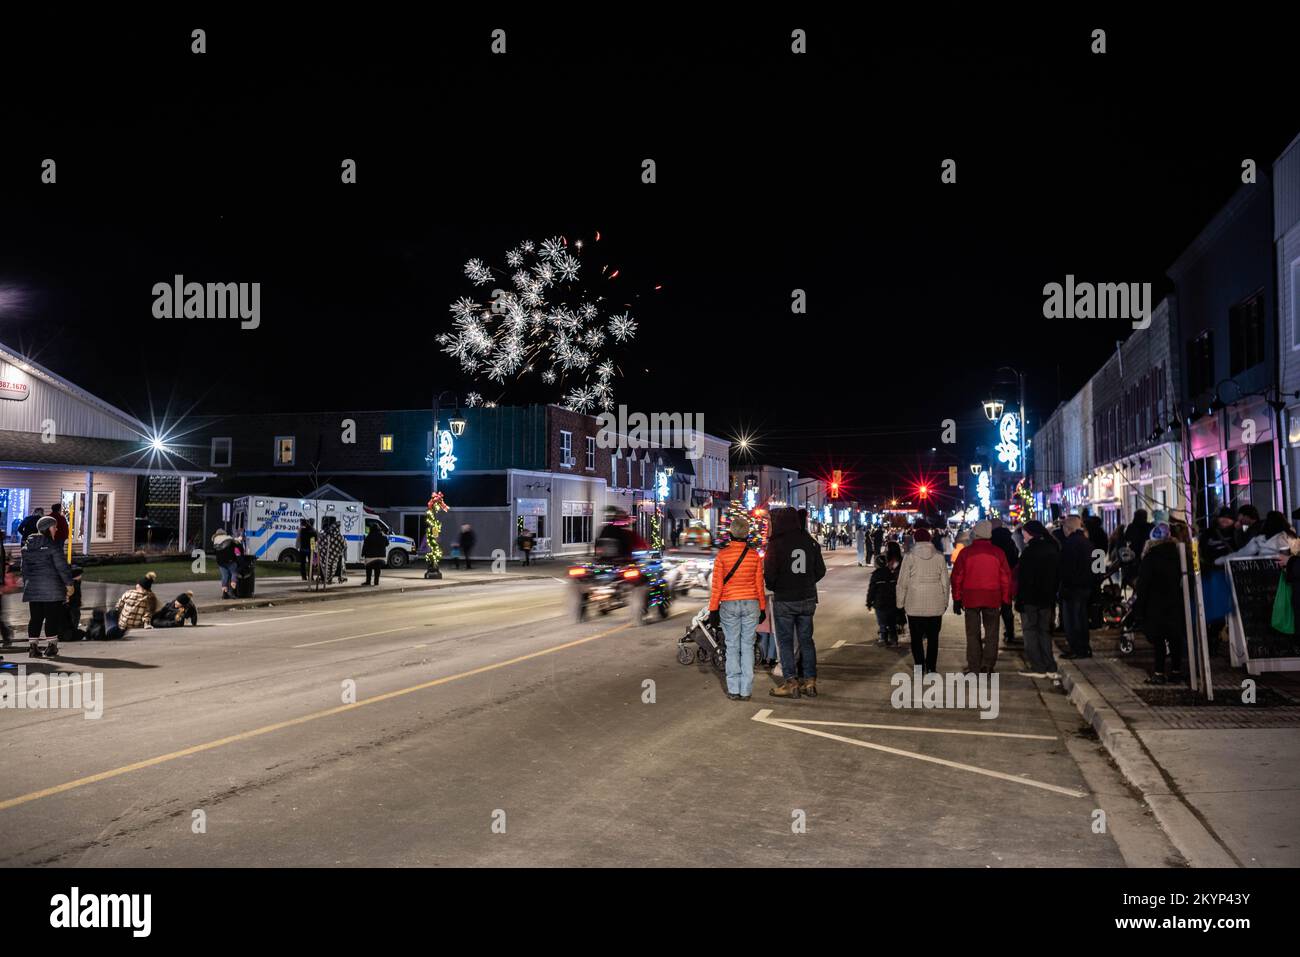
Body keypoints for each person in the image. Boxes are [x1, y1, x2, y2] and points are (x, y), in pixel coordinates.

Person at [764, 505, 826, 699]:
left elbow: (770, 577)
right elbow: (820, 570)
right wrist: (806, 582)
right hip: (807, 597)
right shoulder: (809, 541)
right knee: (807, 641)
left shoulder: (775, 544)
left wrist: (780, 585)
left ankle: (791, 682)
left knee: (785, 642)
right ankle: (810, 681)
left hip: (785, 599)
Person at [707, 513, 767, 702]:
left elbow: (717, 586)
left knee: (732, 646)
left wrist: (713, 609)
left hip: (729, 604)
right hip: (751, 603)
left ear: (731, 533)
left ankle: (733, 688)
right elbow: (759, 584)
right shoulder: (754, 556)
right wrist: (762, 608)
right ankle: (746, 690)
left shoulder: (722, 556)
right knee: (747, 646)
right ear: (747, 534)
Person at [950, 519, 1012, 674]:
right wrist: (1006, 600)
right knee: (992, 633)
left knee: (972, 634)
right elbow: (1005, 578)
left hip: (971, 598)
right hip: (992, 598)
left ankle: (974, 666)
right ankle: (988, 664)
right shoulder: (998, 553)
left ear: (975, 533)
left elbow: (957, 577)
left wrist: (957, 599)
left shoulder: (966, 553)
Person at [1132, 523, 1187, 684]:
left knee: (1159, 640)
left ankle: (1159, 672)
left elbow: (1143, 586)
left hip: (1155, 605)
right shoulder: (1179, 555)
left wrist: (1139, 608)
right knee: (1175, 638)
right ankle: (1176, 670)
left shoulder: (1150, 558)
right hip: (1176, 602)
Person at [896, 527, 950, 674]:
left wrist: (900, 603)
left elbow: (902, 582)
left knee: (916, 638)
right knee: (933, 638)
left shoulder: (909, 557)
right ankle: (931, 667)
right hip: (935, 603)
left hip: (914, 603)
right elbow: (945, 582)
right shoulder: (939, 557)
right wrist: (945, 602)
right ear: (929, 539)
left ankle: (919, 666)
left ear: (915, 539)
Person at [20, 514, 75, 650]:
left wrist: (29, 583)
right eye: (54, 527)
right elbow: (62, 567)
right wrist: (69, 584)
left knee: (35, 618)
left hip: (33, 588)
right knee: (51, 617)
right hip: (52, 589)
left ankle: (33, 647)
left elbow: (24, 570)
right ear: (48, 528)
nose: (56, 529)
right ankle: (51, 646)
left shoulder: (27, 547)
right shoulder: (53, 546)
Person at [1015, 520, 1060, 677]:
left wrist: (1019, 600)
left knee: (1030, 632)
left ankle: (1038, 666)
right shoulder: (1052, 548)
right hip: (1046, 599)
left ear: (1030, 533)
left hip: (1031, 599)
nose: (1023, 536)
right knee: (1044, 631)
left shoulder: (1029, 552)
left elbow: (1024, 579)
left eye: (1024, 533)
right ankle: (1050, 665)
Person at [1058, 515, 1096, 658]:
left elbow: (1065, 568)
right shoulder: (1087, 543)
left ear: (1069, 528)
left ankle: (1077, 649)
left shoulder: (1070, 544)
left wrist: (1064, 585)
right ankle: (1084, 647)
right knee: (1081, 617)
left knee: (1073, 620)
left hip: (1072, 587)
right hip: (1085, 586)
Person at [1216, 510, 1294, 565]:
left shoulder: (1260, 538)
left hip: (1267, 575)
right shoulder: (1291, 536)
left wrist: (1220, 561)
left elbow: (1241, 553)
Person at [991, 524, 1020, 645]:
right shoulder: (1011, 545)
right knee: (1006, 608)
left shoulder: (993, 548)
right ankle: (1009, 632)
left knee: (992, 609)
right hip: (1007, 580)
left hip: (993, 580)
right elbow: (1015, 560)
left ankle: (992, 634)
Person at [108, 572, 161, 639]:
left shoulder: (129, 593)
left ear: (139, 586)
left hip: (121, 624)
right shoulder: (149, 599)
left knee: (111, 612)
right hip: (133, 625)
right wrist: (147, 624)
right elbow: (147, 615)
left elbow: (119, 605)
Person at [867, 554, 900, 647]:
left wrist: (869, 602)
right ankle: (894, 640)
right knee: (892, 622)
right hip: (892, 602)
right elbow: (896, 588)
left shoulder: (875, 575)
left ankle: (883, 638)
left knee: (882, 622)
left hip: (880, 603)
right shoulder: (891, 573)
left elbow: (871, 590)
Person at [212, 528, 244, 599]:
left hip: (220, 562)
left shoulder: (215, 542)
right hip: (230, 561)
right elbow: (238, 548)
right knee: (234, 573)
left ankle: (225, 594)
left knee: (225, 577)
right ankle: (232, 592)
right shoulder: (229, 540)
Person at [317, 517, 347, 584]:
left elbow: (319, 544)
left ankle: (325, 578)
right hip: (335, 555)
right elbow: (344, 545)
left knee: (325, 566)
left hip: (324, 554)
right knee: (333, 567)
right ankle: (329, 578)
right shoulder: (338, 535)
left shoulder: (323, 534)